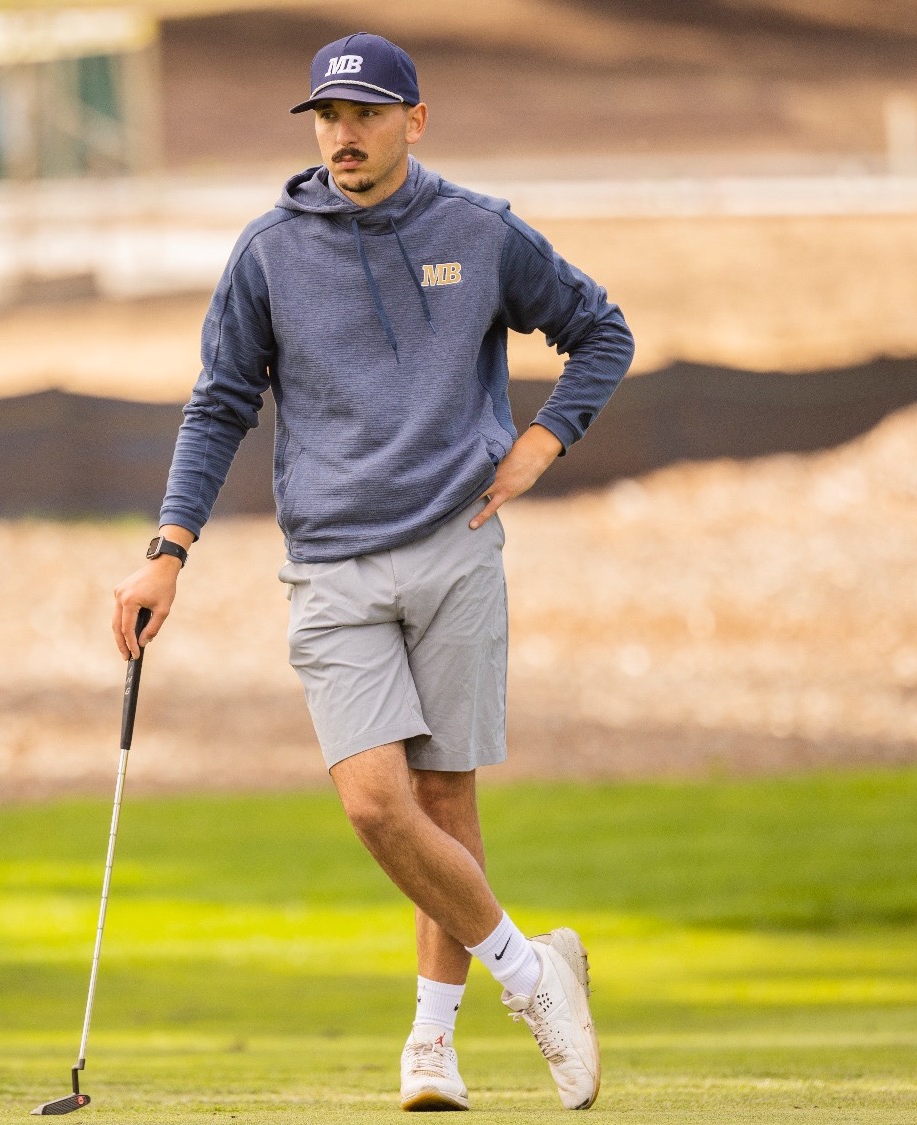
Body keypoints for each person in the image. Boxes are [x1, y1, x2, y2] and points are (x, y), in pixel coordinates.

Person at [110, 31, 634, 1112]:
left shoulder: (478, 233)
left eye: (363, 116)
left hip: (454, 547)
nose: (340, 136)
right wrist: (168, 551)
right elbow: (218, 405)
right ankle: (534, 977)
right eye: (325, 118)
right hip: (332, 566)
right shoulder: (267, 252)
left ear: (414, 122)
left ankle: (430, 1048)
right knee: (373, 805)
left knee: (444, 797)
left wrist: (544, 443)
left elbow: (599, 331)